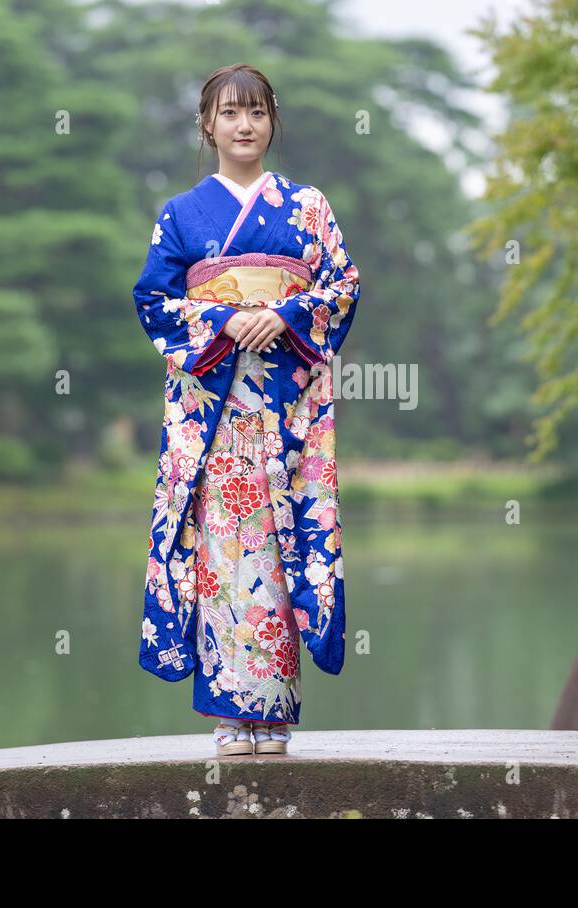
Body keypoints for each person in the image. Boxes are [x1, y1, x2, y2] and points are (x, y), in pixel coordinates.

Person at [132, 64, 361, 757]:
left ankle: (277, 711)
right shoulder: (180, 212)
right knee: (225, 549)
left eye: (257, 112)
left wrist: (287, 313)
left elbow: (342, 285)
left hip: (287, 406)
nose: (243, 125)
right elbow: (152, 300)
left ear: (272, 122)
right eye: (229, 114)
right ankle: (232, 712)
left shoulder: (309, 206)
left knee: (283, 542)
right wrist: (227, 322)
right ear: (207, 125)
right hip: (215, 407)